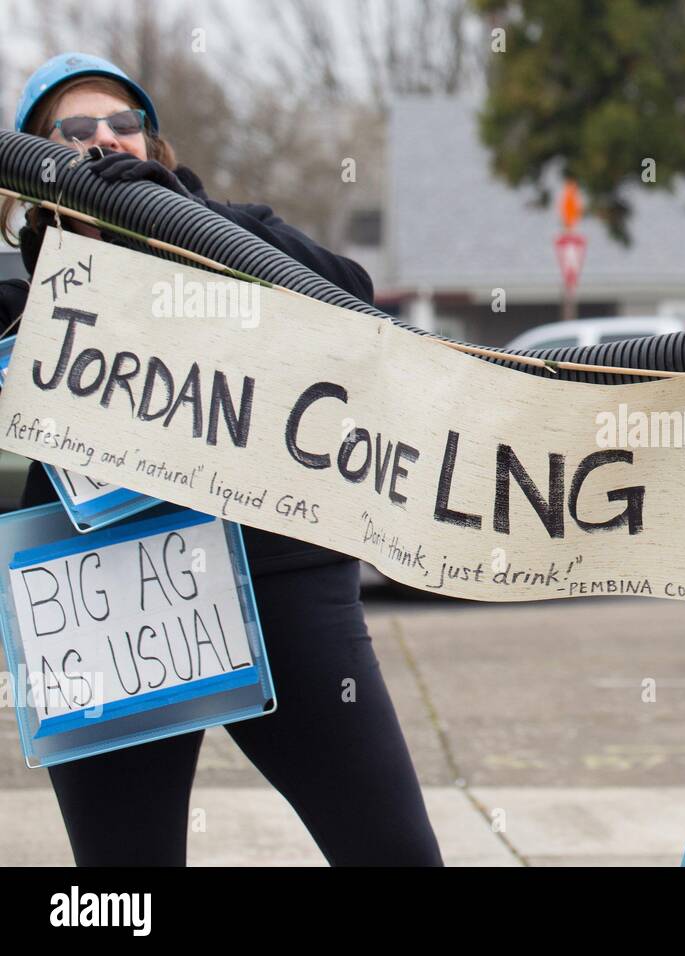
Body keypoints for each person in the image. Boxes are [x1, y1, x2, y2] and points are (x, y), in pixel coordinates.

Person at [0, 52, 443, 866]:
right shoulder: (21, 292)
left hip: (278, 575)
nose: (105, 139)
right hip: (107, 602)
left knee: (391, 851)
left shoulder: (240, 225)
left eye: (124, 124)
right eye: (76, 129)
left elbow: (349, 295)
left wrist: (183, 222)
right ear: (33, 161)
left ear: (154, 145)